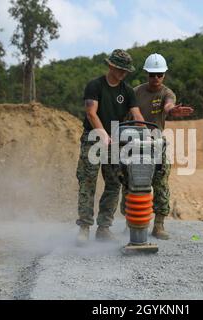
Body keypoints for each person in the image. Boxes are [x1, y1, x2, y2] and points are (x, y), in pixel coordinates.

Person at [121, 53, 194, 240]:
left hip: (155, 142)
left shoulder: (167, 93)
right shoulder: (136, 92)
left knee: (161, 182)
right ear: (146, 74)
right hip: (133, 142)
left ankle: (159, 225)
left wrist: (173, 110)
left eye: (159, 74)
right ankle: (131, 222)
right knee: (129, 182)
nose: (156, 78)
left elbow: (169, 106)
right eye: (152, 74)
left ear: (164, 75)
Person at [76, 49, 144, 245]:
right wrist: (102, 133)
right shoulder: (95, 86)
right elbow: (91, 112)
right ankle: (84, 228)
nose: (124, 73)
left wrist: (144, 133)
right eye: (120, 69)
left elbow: (137, 116)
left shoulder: (127, 91)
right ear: (111, 66)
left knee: (114, 184)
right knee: (87, 182)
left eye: (126, 70)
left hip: (115, 139)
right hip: (93, 137)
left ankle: (104, 228)